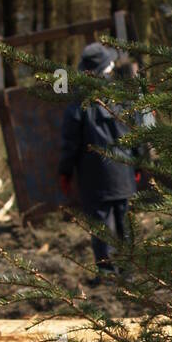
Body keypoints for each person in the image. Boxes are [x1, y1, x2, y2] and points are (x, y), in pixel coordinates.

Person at [59, 42, 138, 283]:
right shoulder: (123, 98)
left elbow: (70, 143)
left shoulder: (79, 103)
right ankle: (129, 271)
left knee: (101, 224)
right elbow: (137, 134)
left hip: (94, 177)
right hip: (124, 171)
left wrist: (65, 172)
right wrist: (139, 164)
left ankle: (106, 273)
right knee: (125, 223)